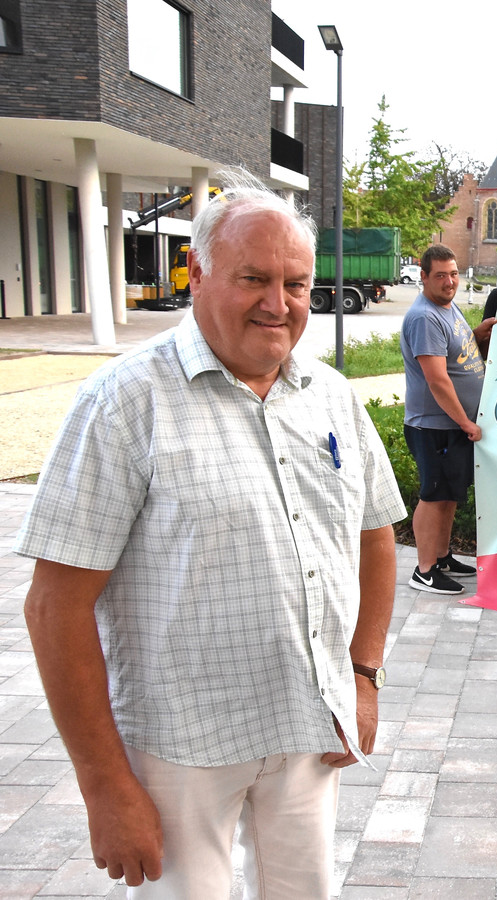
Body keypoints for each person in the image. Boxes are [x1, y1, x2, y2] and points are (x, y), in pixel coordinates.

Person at [16, 177, 405, 896]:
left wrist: (362, 674)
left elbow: (375, 535)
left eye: (296, 284)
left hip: (308, 725)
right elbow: (54, 606)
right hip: (179, 748)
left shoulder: (329, 397)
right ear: (197, 273)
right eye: (253, 279)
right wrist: (105, 785)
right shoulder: (124, 402)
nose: (278, 303)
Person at [402, 245, 492, 594]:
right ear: (423, 277)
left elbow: (457, 352)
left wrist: (478, 333)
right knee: (434, 495)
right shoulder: (425, 317)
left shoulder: (446, 307)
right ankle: (425, 571)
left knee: (449, 494)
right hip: (434, 426)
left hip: (452, 426)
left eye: (454, 274)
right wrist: (466, 423)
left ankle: (441, 557)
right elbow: (437, 380)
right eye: (440, 275)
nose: (449, 281)